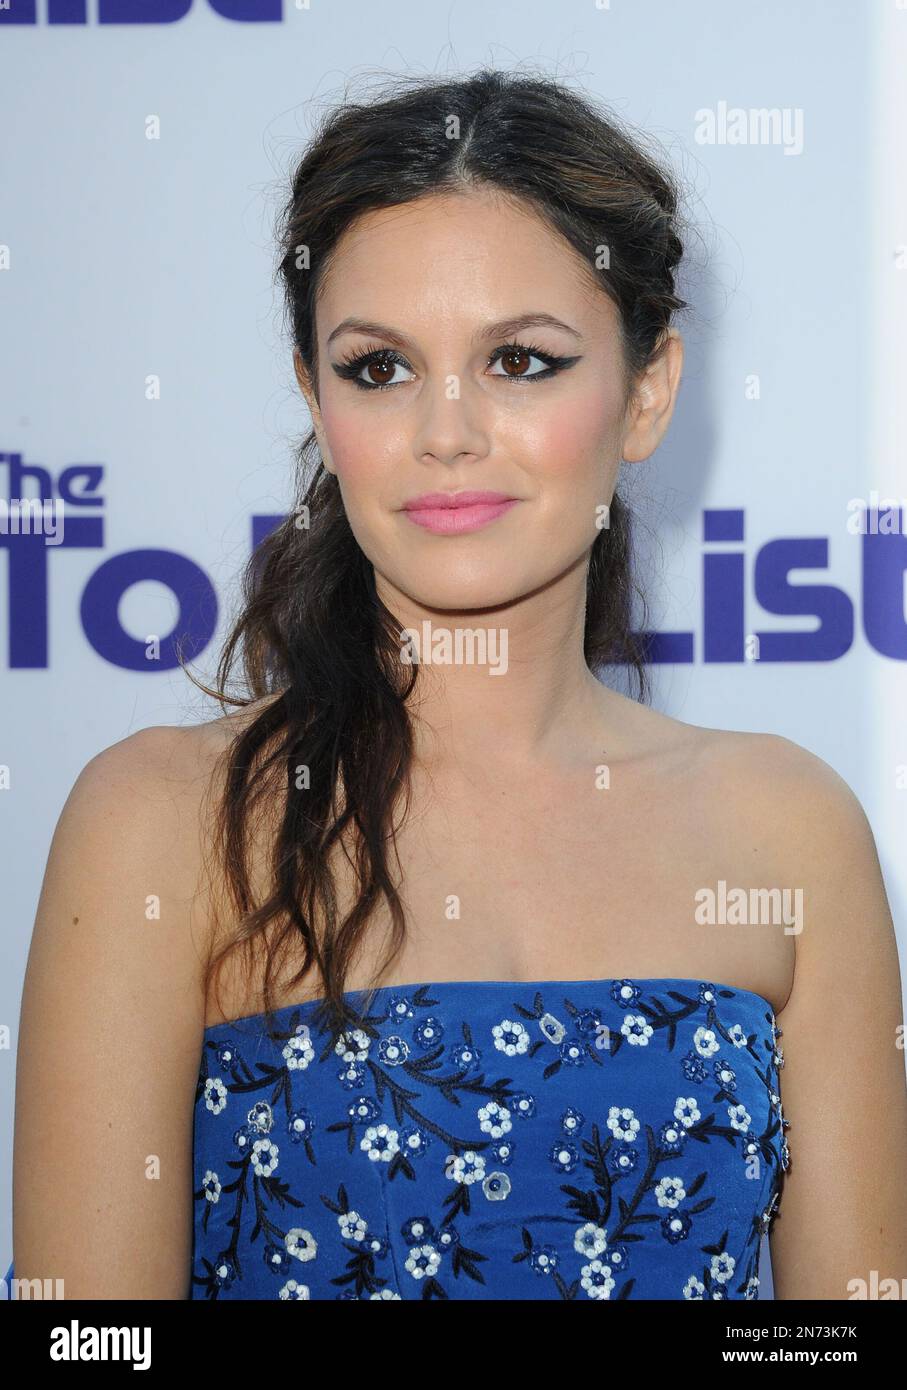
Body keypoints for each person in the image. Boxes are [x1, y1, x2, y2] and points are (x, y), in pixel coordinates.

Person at [9, 68, 907, 1301]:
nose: (445, 432)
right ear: (314, 396)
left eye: (520, 361)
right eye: (379, 368)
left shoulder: (788, 828)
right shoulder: (163, 823)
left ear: (647, 391)